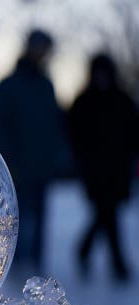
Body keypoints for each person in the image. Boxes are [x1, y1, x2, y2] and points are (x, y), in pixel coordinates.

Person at [0, 30, 68, 273]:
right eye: (39, 47)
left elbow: (54, 124)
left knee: (41, 216)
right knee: (16, 218)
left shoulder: (46, 85)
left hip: (42, 165)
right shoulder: (9, 85)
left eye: (45, 49)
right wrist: (7, 161)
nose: (42, 53)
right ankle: (14, 263)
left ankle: (36, 263)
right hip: (15, 167)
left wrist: (57, 154)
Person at [67, 54, 138, 281]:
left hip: (118, 170)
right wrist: (82, 159)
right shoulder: (83, 102)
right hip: (94, 171)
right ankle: (117, 264)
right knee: (107, 213)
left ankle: (86, 251)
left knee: (106, 214)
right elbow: (73, 133)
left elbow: (133, 134)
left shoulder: (123, 100)